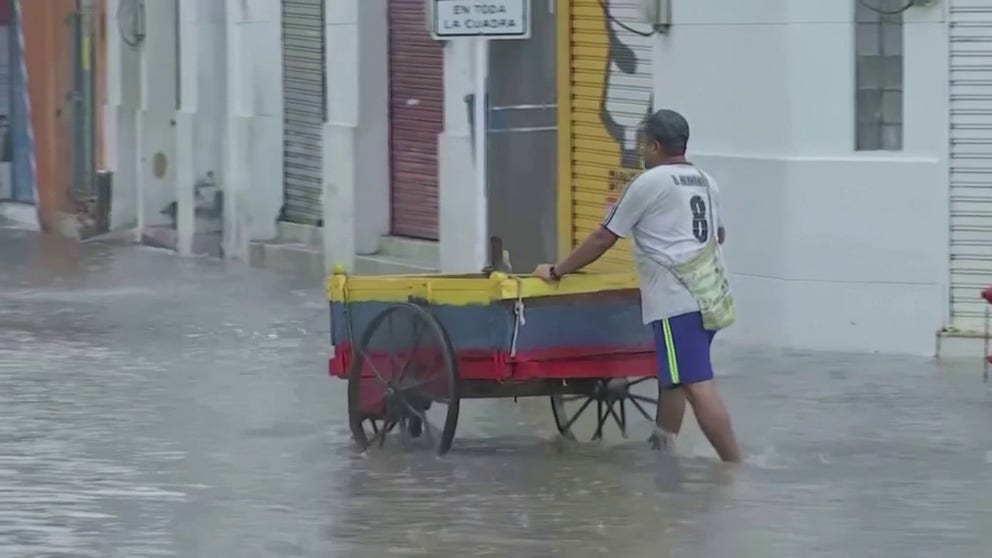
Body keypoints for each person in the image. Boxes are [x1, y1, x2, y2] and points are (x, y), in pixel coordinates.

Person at [534, 109, 742, 463]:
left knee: (695, 384)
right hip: (709, 295)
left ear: (656, 146)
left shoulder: (650, 182)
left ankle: (734, 466)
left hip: (676, 300)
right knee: (673, 377)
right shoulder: (706, 180)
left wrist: (557, 270)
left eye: (643, 145)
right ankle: (664, 449)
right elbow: (718, 234)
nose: (641, 151)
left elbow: (603, 237)